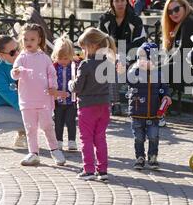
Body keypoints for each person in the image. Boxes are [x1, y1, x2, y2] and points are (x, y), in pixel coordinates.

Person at [11, 23, 66, 167]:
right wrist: (15, 73)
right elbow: (15, 73)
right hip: (27, 100)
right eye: (26, 39)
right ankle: (33, 153)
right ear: (21, 40)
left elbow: (52, 74)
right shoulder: (21, 58)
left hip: (43, 100)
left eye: (32, 39)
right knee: (30, 128)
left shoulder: (45, 58)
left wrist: (53, 86)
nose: (28, 42)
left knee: (48, 125)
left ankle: (55, 150)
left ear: (39, 39)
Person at [69, 28, 116, 181]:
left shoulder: (86, 64)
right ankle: (102, 170)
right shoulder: (108, 64)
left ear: (93, 46)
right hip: (104, 105)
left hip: (87, 106)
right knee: (100, 138)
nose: (82, 51)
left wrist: (71, 84)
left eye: (83, 47)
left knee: (86, 139)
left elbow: (78, 87)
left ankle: (88, 169)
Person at [99, 0, 147, 116]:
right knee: (110, 65)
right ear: (112, 3)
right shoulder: (105, 19)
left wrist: (121, 52)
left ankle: (115, 104)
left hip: (131, 56)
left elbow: (139, 43)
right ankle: (113, 104)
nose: (119, 4)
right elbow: (99, 40)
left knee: (115, 66)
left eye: (122, 0)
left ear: (127, 2)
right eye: (116, 1)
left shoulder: (135, 20)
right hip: (108, 55)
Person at [127, 42, 172, 170]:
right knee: (139, 138)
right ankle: (139, 157)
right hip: (137, 111)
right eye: (139, 58)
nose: (142, 61)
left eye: (145, 58)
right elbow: (128, 80)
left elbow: (164, 88)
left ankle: (153, 157)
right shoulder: (134, 72)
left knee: (153, 136)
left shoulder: (158, 74)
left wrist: (166, 96)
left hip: (153, 113)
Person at [51, 35, 79, 151]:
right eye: (60, 58)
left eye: (66, 58)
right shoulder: (53, 67)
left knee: (71, 121)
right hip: (57, 101)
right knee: (58, 122)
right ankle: (58, 141)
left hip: (71, 100)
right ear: (55, 57)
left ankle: (72, 141)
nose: (63, 61)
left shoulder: (74, 67)